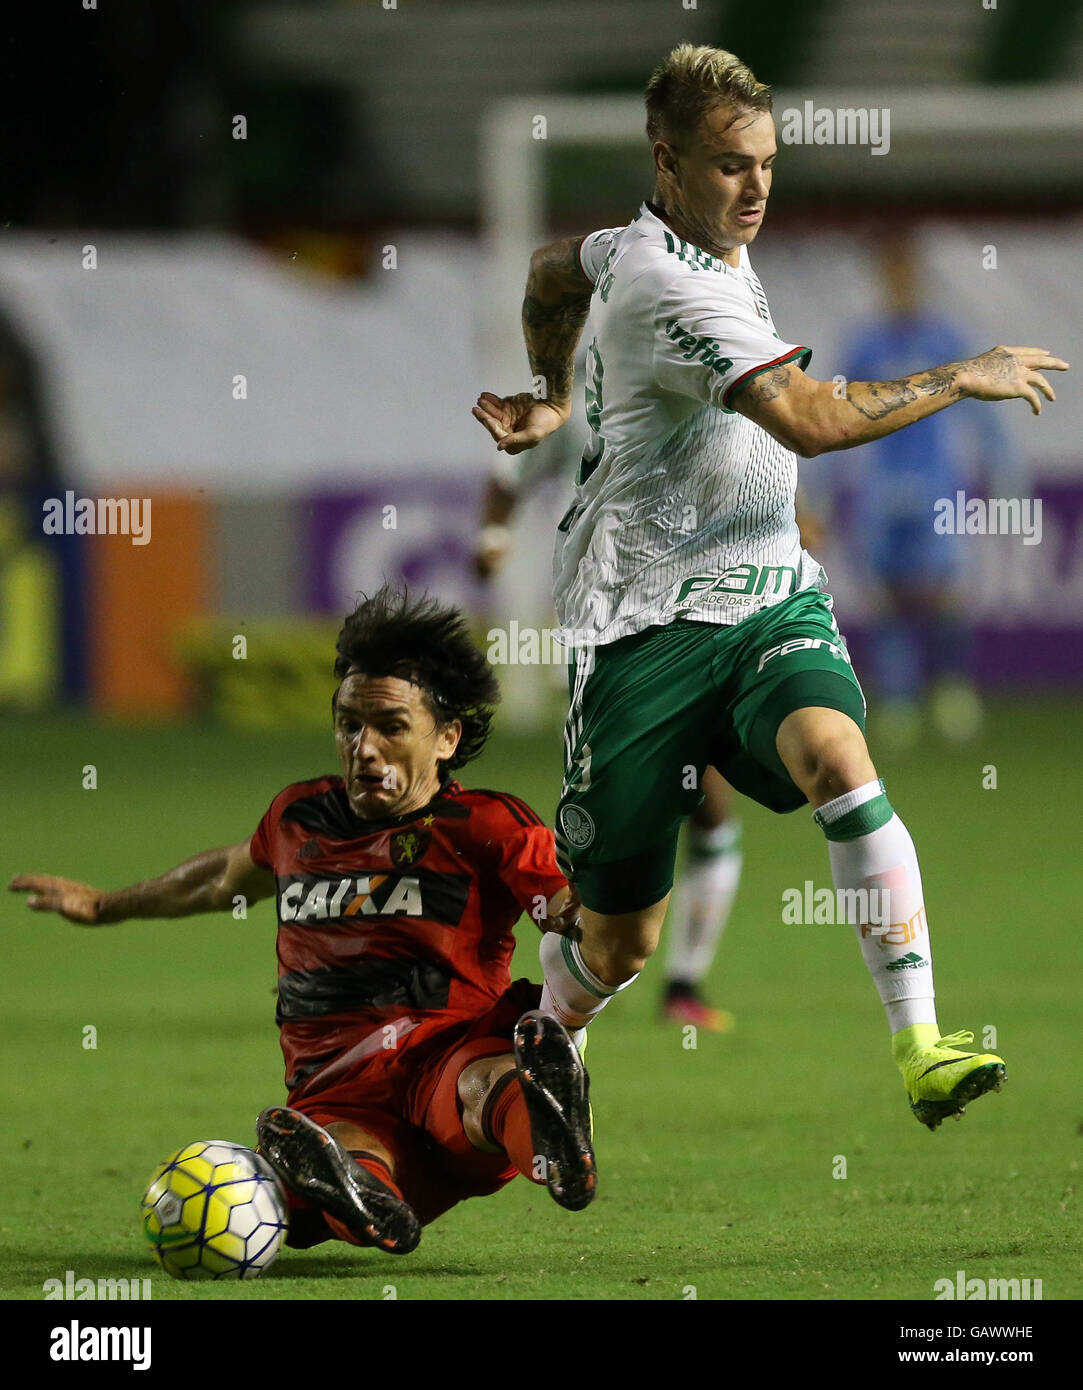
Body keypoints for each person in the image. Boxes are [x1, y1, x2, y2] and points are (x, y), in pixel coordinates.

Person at [473, 43, 1068, 1129]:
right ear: (668, 161)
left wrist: (552, 397)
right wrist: (961, 375)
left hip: (760, 596)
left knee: (838, 754)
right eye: (730, 166)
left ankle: (921, 1043)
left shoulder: (653, 246)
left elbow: (555, 268)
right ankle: (539, 1046)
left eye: (768, 164)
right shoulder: (664, 280)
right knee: (619, 943)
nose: (756, 188)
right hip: (636, 626)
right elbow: (811, 418)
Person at [10, 586, 595, 1253]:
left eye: (391, 727)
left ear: (448, 738)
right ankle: (365, 1194)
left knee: (485, 1083)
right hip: (340, 1088)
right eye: (349, 724)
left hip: (447, 1053)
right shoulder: (298, 818)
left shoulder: (485, 826)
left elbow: (573, 910)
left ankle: (548, 1130)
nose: (364, 748)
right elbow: (220, 879)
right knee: (334, 1156)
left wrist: (594, 911)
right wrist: (105, 905)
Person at [475, 469, 739, 1032]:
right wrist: (492, 539)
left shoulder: (710, 397)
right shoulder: (580, 405)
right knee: (602, 824)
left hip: (699, 621)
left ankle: (683, 982)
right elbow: (511, 475)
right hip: (611, 630)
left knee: (710, 807)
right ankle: (559, 983)